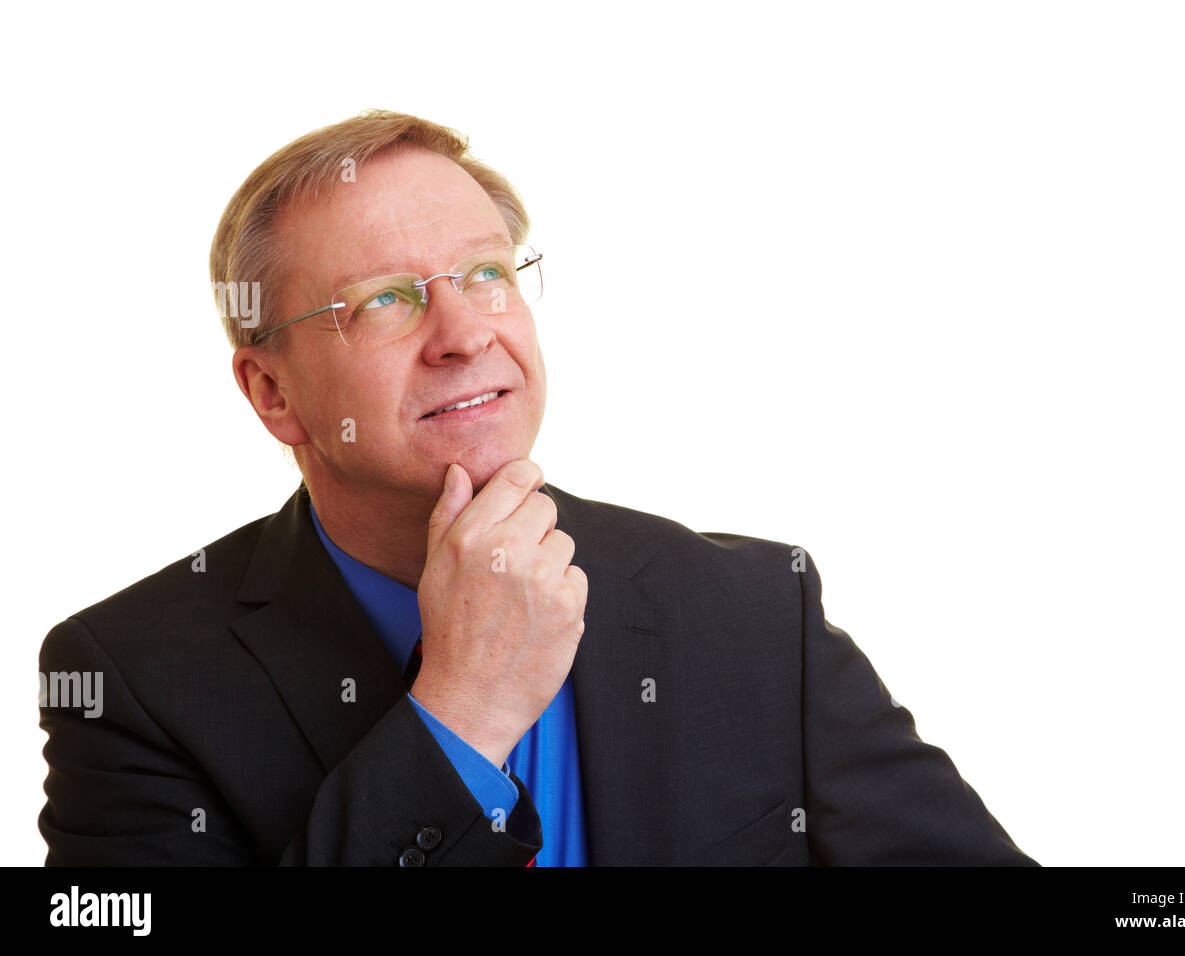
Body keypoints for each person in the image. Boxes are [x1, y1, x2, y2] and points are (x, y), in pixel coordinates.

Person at [37, 110, 1036, 867]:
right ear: (273, 391)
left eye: (486, 274)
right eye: (385, 301)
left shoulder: (749, 609)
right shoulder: (130, 680)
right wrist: (460, 712)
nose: (467, 334)